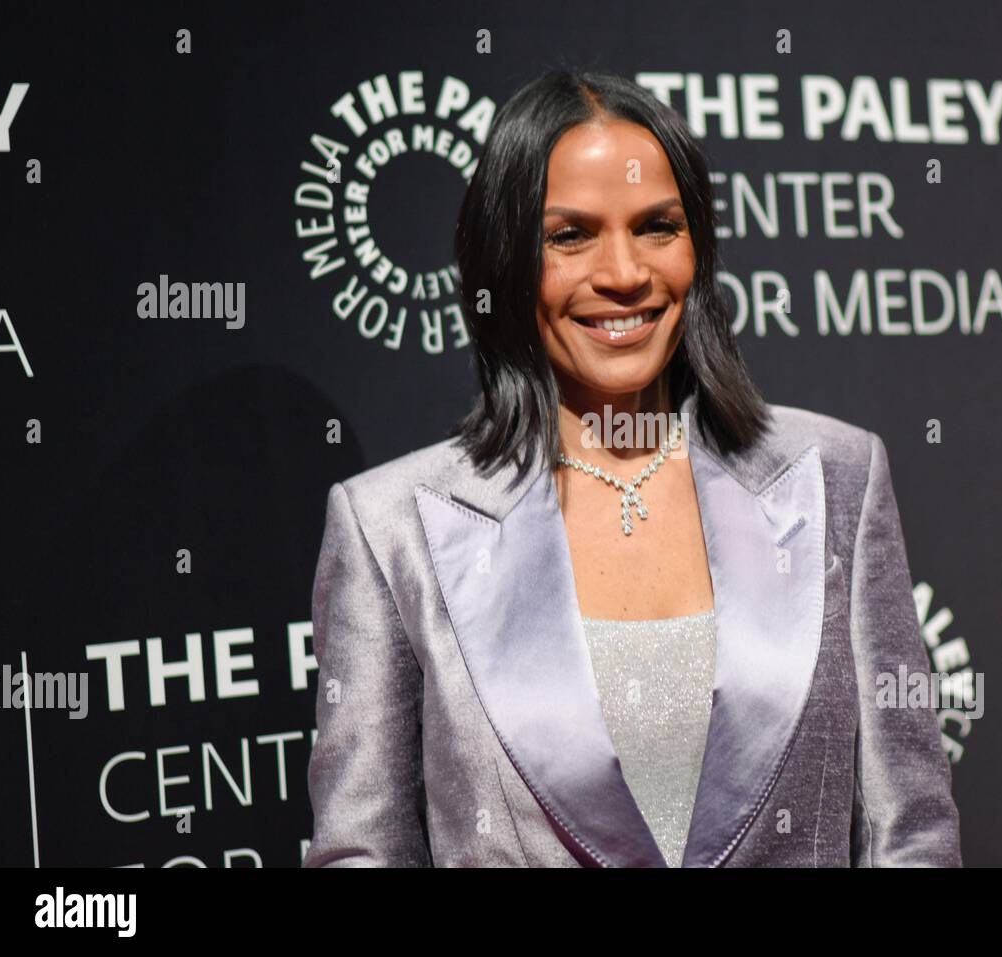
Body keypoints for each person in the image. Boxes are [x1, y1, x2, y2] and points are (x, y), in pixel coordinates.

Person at [303, 67, 962, 868]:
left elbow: (912, 836)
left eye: (656, 225)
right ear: (505, 261)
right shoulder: (391, 528)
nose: (623, 273)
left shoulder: (837, 476)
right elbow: (361, 853)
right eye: (570, 235)